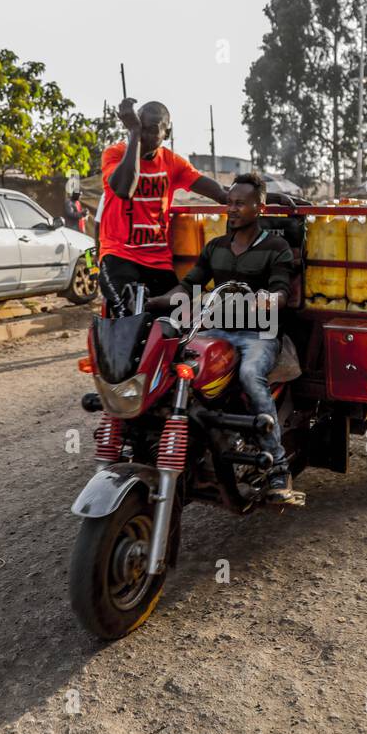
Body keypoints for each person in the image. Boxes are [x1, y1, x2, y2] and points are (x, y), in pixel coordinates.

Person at [148, 172, 297, 503]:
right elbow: (188, 287)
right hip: (216, 328)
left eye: (240, 204)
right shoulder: (215, 247)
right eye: (229, 202)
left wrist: (268, 299)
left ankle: (278, 468)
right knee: (178, 369)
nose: (231, 209)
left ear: (259, 208)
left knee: (249, 374)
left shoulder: (277, 246)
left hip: (260, 333)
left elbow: (282, 290)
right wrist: (155, 302)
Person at [98, 98, 227, 313]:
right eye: (140, 128)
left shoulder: (173, 163)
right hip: (119, 257)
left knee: (175, 321)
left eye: (151, 130)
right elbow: (124, 189)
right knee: (131, 315)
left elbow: (222, 194)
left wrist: (269, 197)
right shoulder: (115, 154)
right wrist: (134, 135)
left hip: (158, 261)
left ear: (166, 133)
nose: (145, 136)